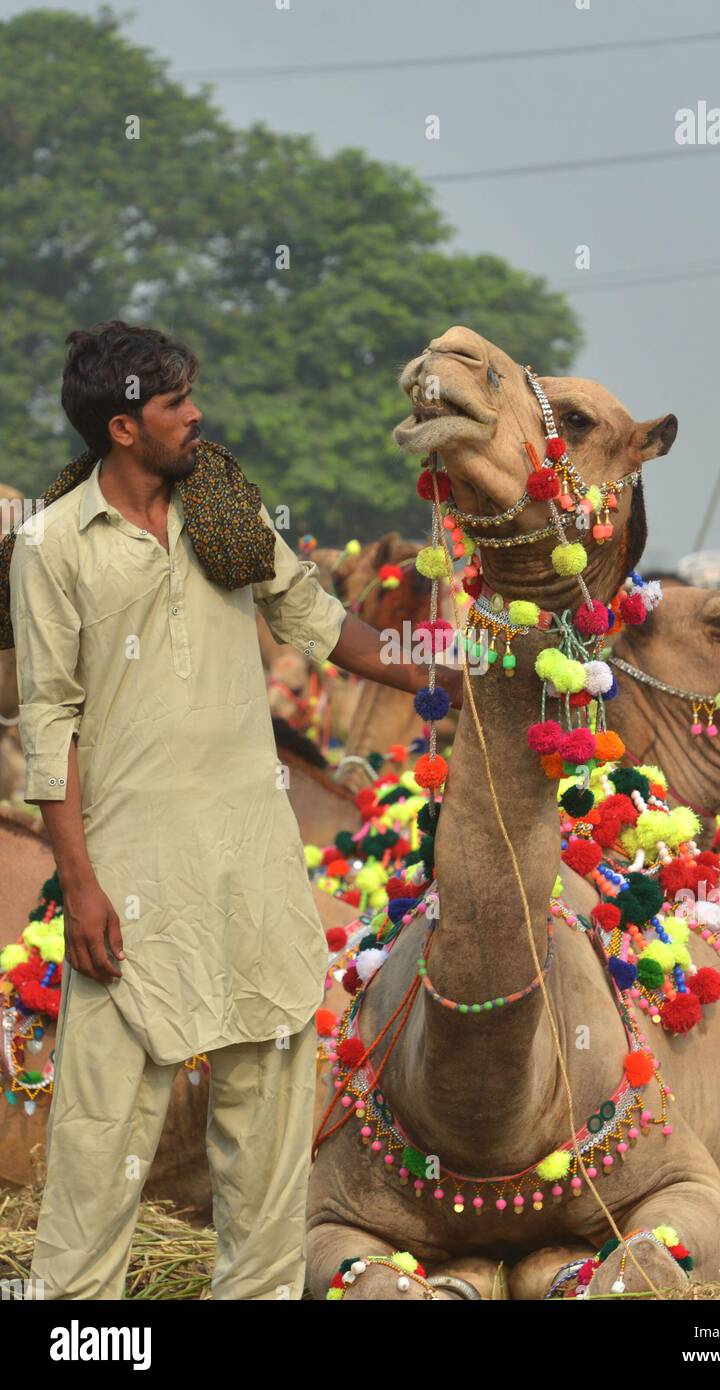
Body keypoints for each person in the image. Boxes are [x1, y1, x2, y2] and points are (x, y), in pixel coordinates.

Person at [6, 320, 460, 1300]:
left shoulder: (223, 512)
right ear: (124, 427)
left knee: (265, 1128)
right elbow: (50, 725)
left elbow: (324, 625)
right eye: (177, 402)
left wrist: (452, 668)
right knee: (99, 1136)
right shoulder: (52, 545)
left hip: (254, 864)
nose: (198, 414)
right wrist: (79, 885)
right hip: (132, 879)